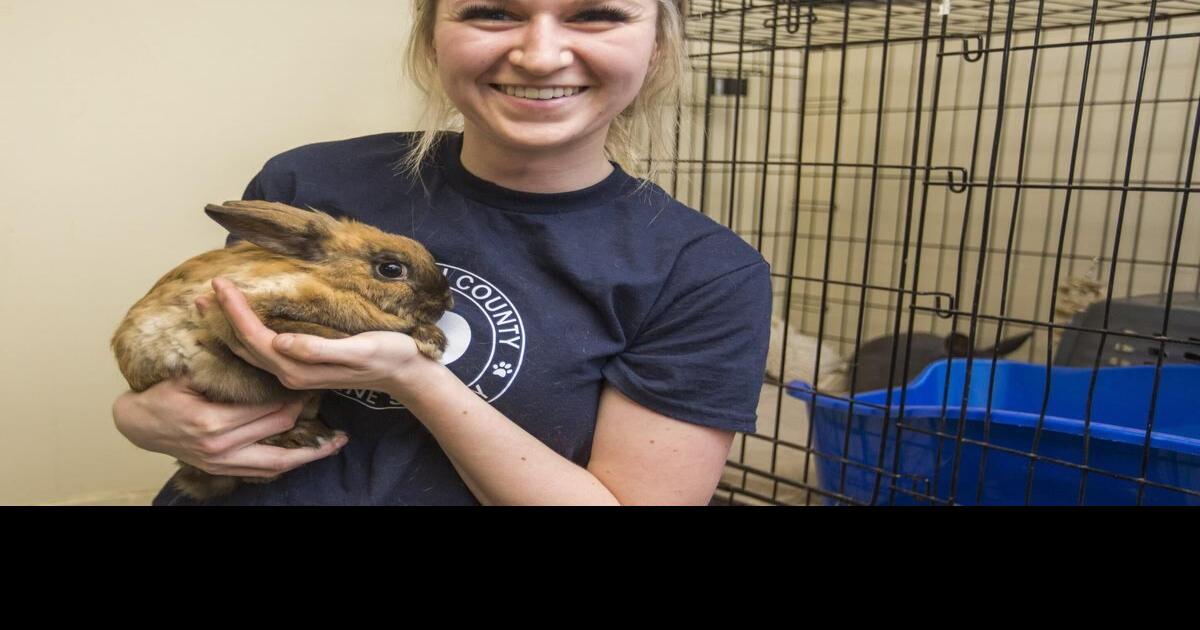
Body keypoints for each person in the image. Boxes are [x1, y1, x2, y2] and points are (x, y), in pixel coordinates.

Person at [111, 0, 773, 505]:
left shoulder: (703, 272)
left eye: (596, 14)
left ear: (658, 44)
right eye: (491, 10)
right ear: (432, 32)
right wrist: (142, 416)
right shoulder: (309, 186)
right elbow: (210, 350)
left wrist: (416, 379)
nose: (541, 55)